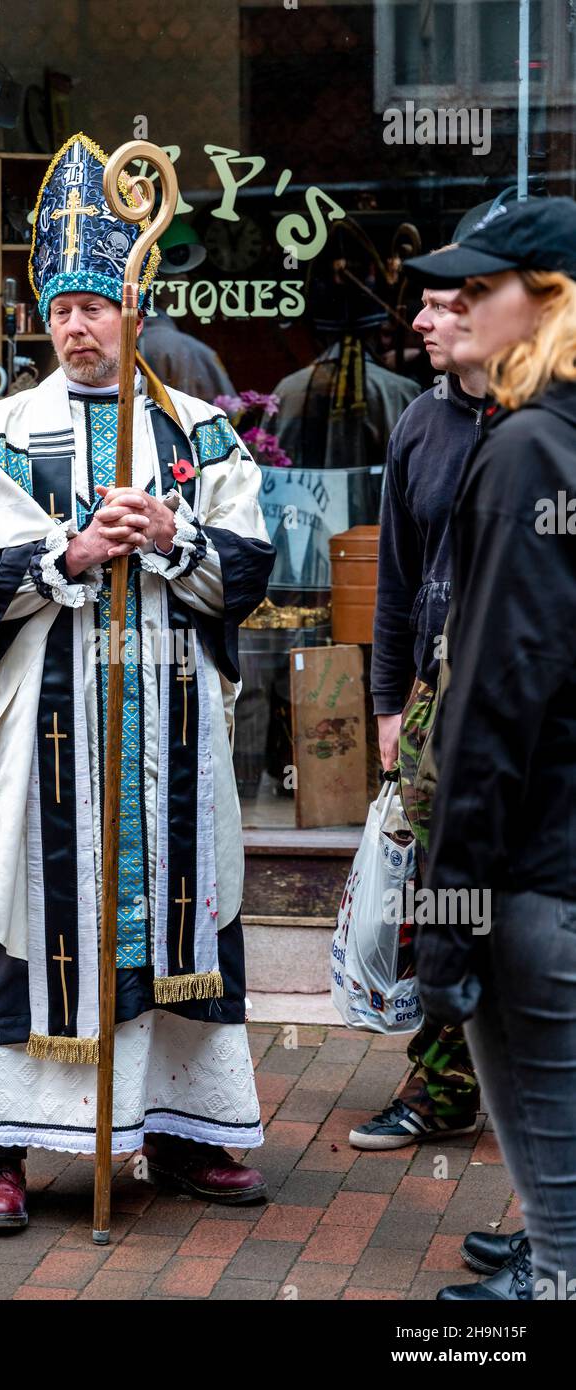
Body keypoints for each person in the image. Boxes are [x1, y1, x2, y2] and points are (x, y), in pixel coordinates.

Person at [0, 132, 276, 1231]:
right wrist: (63, 557)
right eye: (61, 305)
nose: (77, 325)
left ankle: (180, 1128)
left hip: (166, 722)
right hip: (49, 737)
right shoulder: (0, 435)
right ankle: (2, 1150)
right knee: (20, 913)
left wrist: (173, 531)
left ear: (135, 305)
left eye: (96, 304)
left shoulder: (198, 433)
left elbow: (253, 566)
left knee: (184, 904)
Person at [403, 196, 576, 1301]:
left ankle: (555, 1268)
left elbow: (498, 698)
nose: (452, 305)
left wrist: (447, 909)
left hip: (529, 864)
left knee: (546, 1098)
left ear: (549, 304)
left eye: (479, 287)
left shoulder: (525, 452)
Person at [351, 253, 490, 1151]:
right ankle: (443, 1085)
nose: (419, 324)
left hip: (526, 698)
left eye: (439, 308)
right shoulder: (420, 426)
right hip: (439, 698)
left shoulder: (544, 426)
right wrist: (390, 704)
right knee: (444, 896)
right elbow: (397, 580)